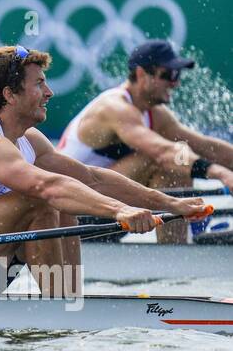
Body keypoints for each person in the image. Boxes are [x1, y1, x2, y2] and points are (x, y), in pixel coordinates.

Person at [0, 45, 206, 296]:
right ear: (9, 94)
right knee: (43, 199)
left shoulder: (28, 139)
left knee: (67, 196)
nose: (49, 92)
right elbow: (46, 187)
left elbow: (93, 178)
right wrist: (121, 211)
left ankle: (71, 301)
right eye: (39, 84)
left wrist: (171, 204)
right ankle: (63, 308)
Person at [57, 39, 233, 242]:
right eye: (168, 75)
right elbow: (162, 152)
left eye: (177, 75)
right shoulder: (114, 107)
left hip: (109, 207)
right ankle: (173, 253)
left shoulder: (156, 114)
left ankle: (174, 257)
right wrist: (219, 172)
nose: (175, 83)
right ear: (141, 74)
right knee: (163, 160)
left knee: (180, 157)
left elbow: (205, 146)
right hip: (70, 211)